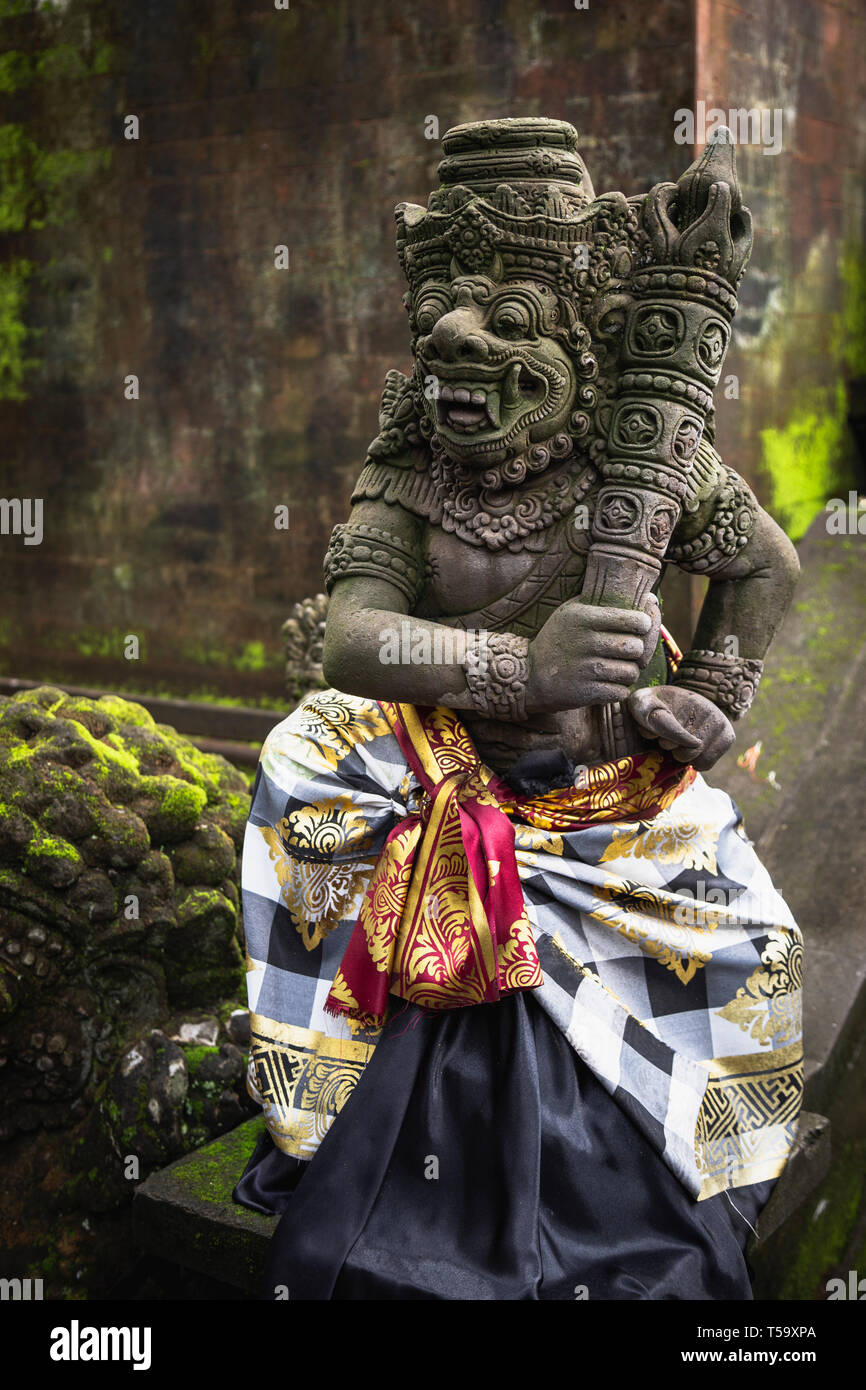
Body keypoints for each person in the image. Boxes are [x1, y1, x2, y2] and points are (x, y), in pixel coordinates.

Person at [234, 118, 803, 1301]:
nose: (453, 336)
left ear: (586, 333)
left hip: (600, 802)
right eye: (440, 306)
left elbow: (768, 566)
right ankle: (358, 1087)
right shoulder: (410, 456)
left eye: (503, 315)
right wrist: (520, 666)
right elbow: (350, 635)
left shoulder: (639, 453)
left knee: (742, 940)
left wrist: (708, 690)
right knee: (299, 755)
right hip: (439, 776)